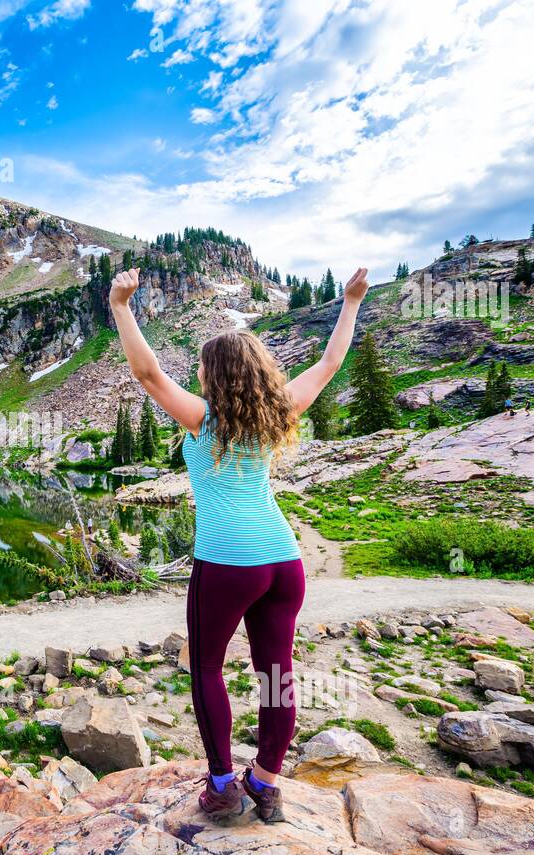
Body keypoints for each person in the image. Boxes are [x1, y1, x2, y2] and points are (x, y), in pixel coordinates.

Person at [108, 265, 369, 824]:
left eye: (202, 366)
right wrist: (349, 303)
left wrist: (122, 307)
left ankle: (223, 787)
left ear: (215, 375)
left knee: (205, 667)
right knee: (276, 672)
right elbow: (329, 364)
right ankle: (267, 782)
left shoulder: (205, 420)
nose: (196, 373)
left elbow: (147, 374)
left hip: (228, 561)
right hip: (283, 560)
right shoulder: (277, 412)